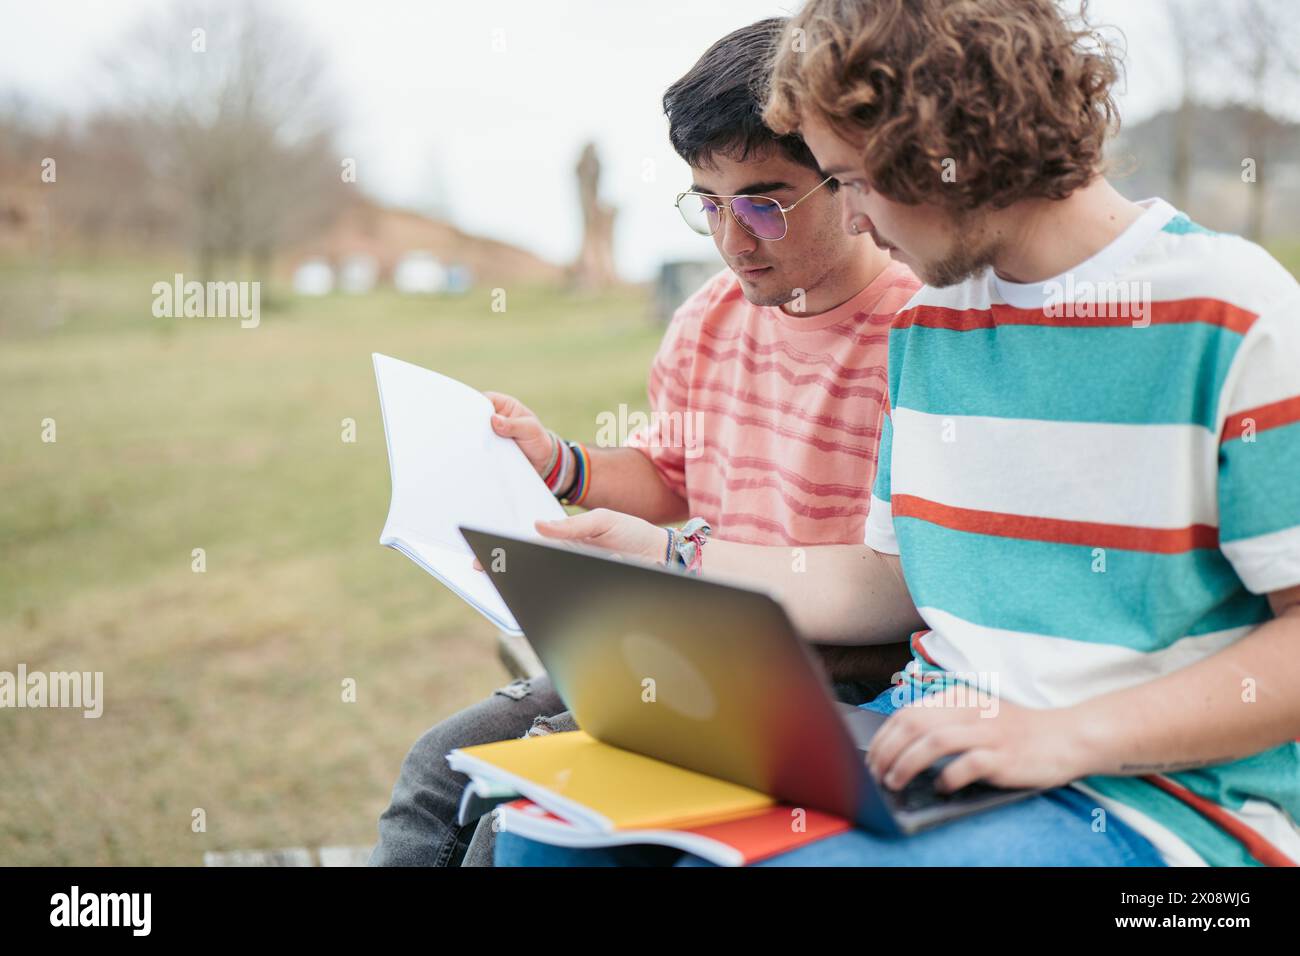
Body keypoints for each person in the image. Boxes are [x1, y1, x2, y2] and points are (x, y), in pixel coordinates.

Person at [498, 0, 1300, 867]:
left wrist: (1068, 735)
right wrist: (668, 556)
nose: (851, 222)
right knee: (552, 834)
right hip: (917, 741)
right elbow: (890, 579)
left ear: (948, 149)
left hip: (1149, 798)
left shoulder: (1232, 312)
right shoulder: (933, 324)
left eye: (846, 180)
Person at [368, 16, 922, 866]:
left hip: (829, 673)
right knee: (437, 771)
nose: (734, 240)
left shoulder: (915, 334)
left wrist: (679, 559)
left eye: (764, 204)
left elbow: (897, 581)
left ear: (848, 180)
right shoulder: (708, 319)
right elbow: (671, 477)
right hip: (682, 632)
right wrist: (562, 464)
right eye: (707, 204)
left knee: (513, 811)